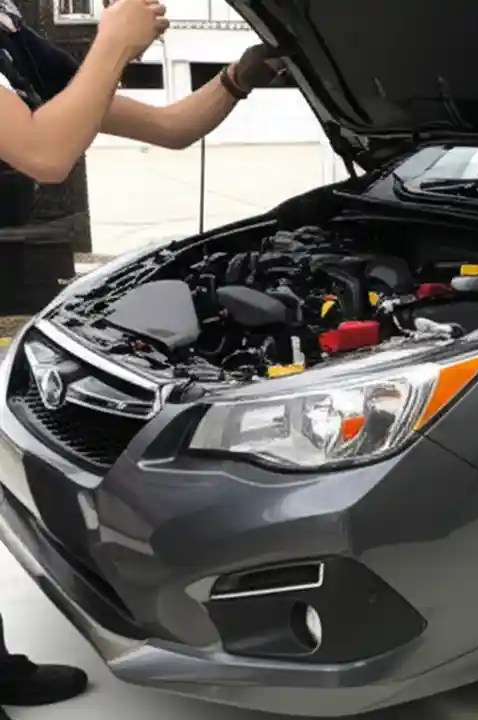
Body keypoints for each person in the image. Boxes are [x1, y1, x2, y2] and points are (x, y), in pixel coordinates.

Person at [0, 0, 283, 715]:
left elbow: (167, 126)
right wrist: (115, 40)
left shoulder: (10, 35)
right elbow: (44, 151)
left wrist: (241, 76)